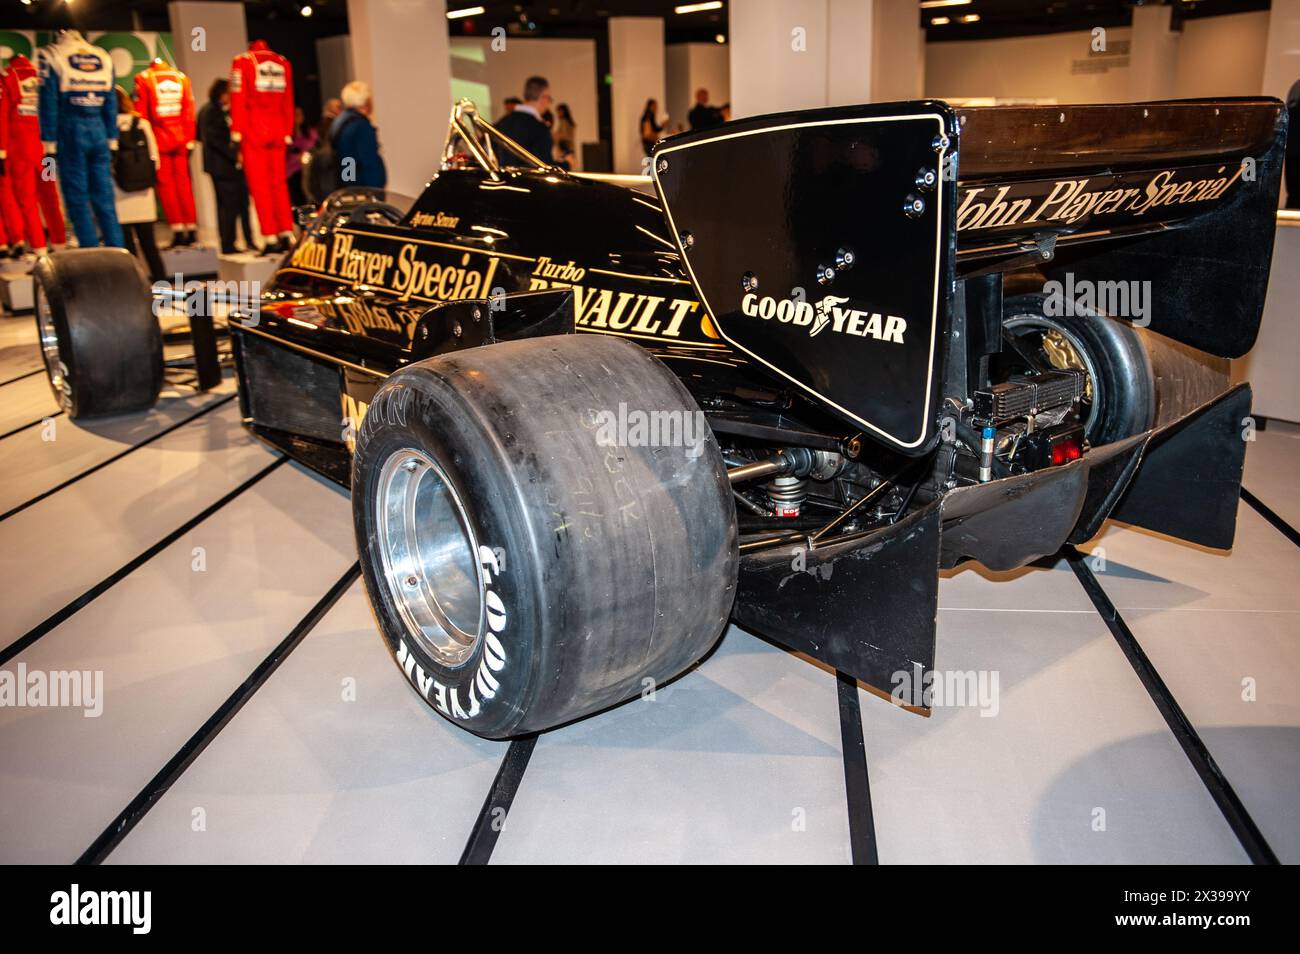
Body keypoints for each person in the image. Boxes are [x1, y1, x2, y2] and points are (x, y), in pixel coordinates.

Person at [112, 87, 166, 281]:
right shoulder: (142, 123)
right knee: (150, 246)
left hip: (118, 193)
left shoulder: (106, 127)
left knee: (128, 249)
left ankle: (136, 286)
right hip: (144, 192)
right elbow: (155, 159)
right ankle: (162, 284)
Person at [197, 78, 253, 254]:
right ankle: (229, 243)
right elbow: (214, 139)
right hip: (223, 166)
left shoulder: (212, 110)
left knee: (228, 205)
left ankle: (233, 242)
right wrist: (234, 154)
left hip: (221, 166)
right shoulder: (212, 111)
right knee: (229, 206)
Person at [330, 81, 386, 189]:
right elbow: (368, 162)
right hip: (364, 189)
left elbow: (347, 159)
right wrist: (374, 189)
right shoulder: (361, 126)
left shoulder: (340, 121)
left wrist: (349, 185)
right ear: (365, 101)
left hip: (347, 183)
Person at [495, 76, 553, 165]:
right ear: (543, 97)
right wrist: (567, 164)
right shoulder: (539, 128)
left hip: (504, 178)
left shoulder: (501, 123)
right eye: (549, 98)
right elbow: (546, 167)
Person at [286, 107, 317, 206]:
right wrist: (296, 157)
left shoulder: (310, 132)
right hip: (293, 170)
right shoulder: (287, 135)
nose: (298, 117)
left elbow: (314, 148)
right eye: (295, 115)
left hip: (309, 167)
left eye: (300, 114)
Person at [552, 102, 576, 170]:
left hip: (564, 151)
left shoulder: (564, 122)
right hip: (568, 150)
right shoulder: (568, 122)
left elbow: (564, 136)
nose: (557, 114)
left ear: (563, 111)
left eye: (558, 111)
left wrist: (553, 135)